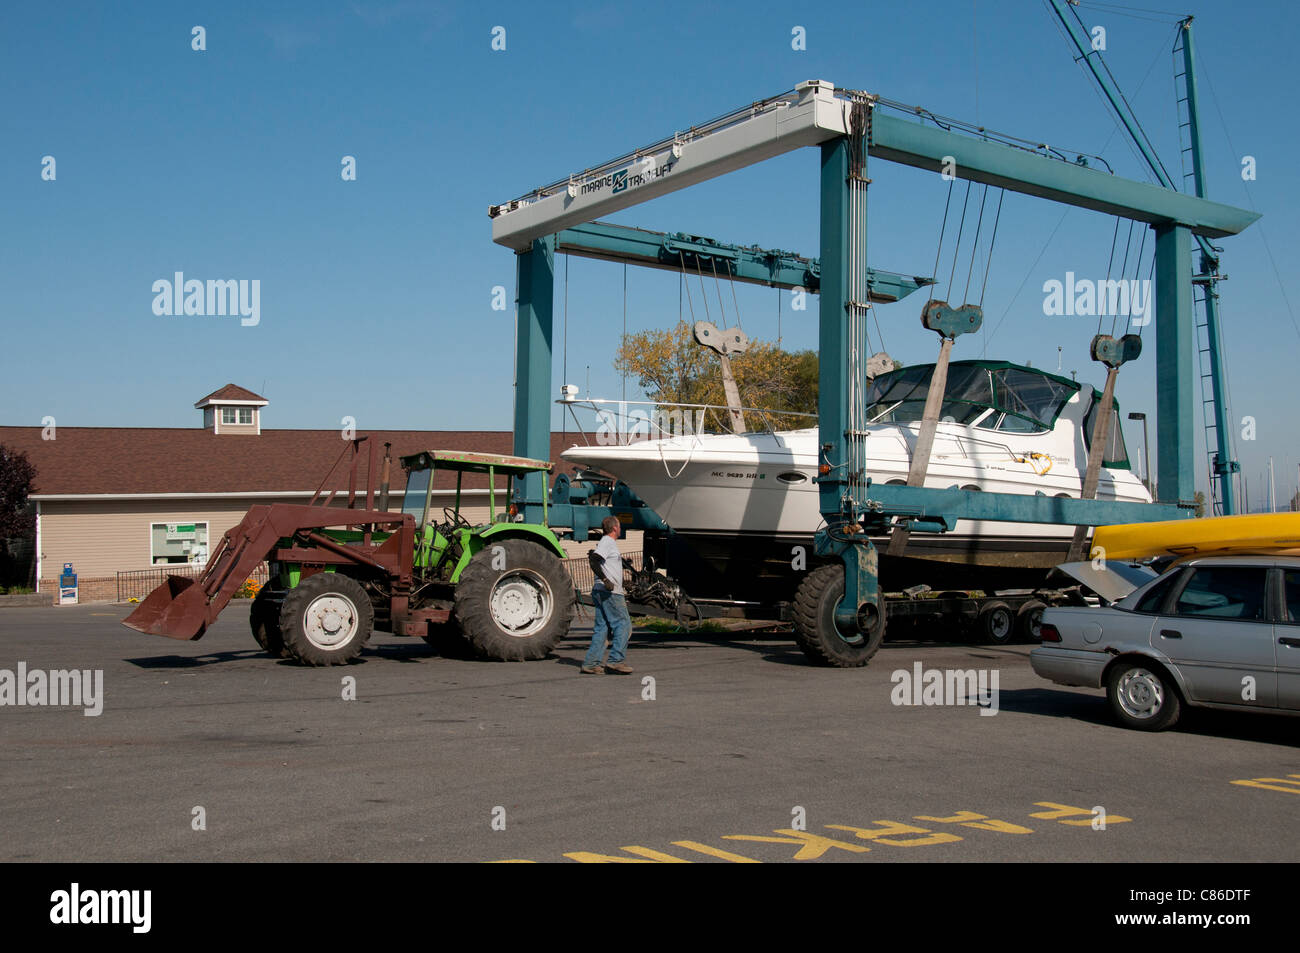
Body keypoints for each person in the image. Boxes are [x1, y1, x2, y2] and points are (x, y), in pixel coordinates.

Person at [581, 516, 632, 675]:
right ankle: (616, 661)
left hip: (602, 591)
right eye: (620, 526)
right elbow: (594, 560)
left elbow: (604, 563)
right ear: (615, 528)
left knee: (602, 628)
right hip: (609, 592)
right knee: (624, 625)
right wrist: (606, 580)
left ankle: (591, 663)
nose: (620, 528)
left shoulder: (608, 544)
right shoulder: (607, 542)